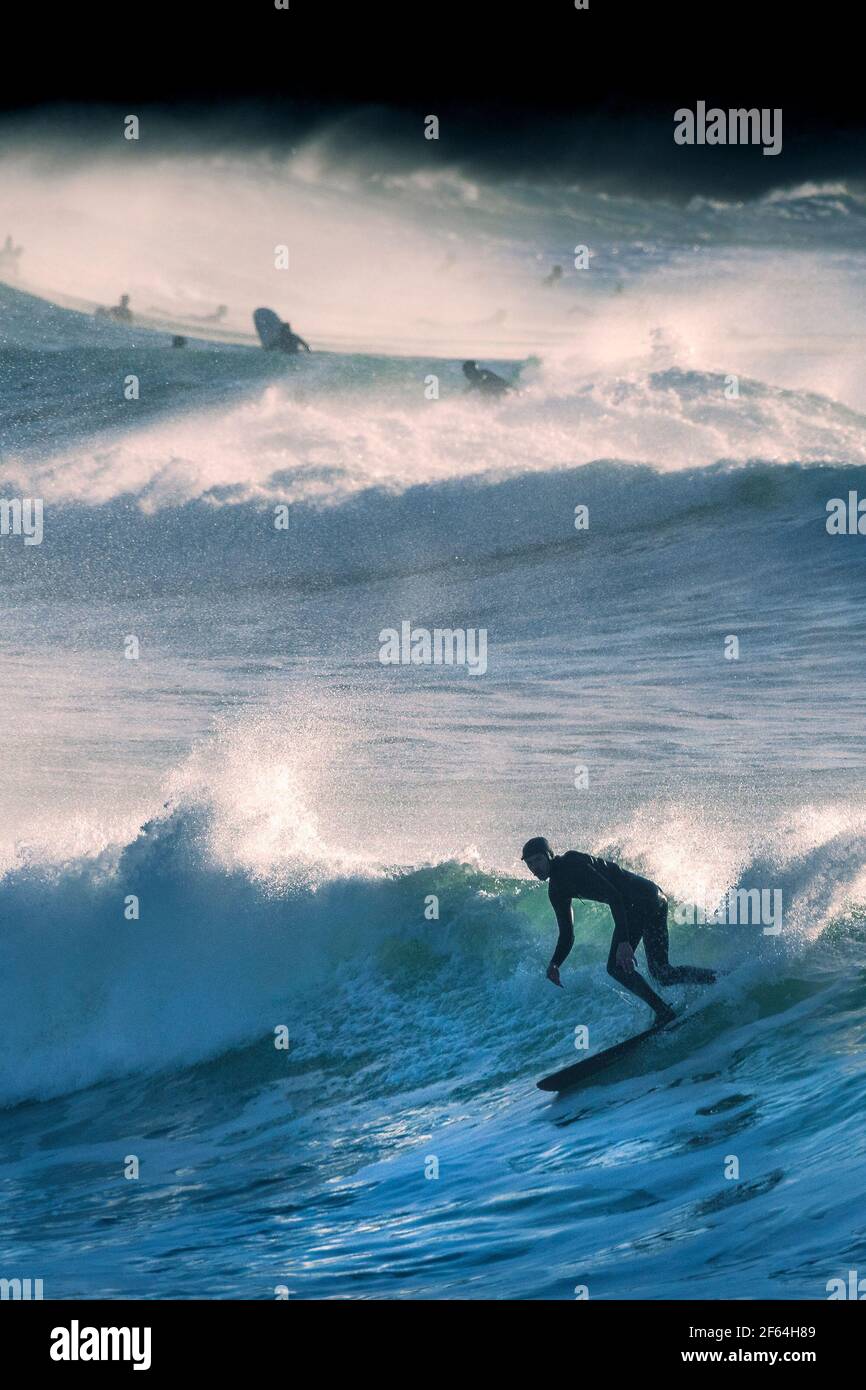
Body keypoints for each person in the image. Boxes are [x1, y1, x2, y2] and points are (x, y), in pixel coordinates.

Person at [521, 836, 715, 1026]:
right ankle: (719, 978)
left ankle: (664, 1012)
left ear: (549, 855)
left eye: (538, 860)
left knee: (616, 967)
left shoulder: (572, 862)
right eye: (530, 864)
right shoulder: (556, 890)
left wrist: (624, 942)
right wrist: (555, 963)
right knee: (661, 973)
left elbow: (614, 896)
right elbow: (567, 933)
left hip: (641, 901)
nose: (534, 867)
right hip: (653, 898)